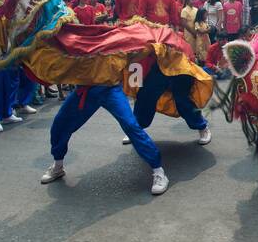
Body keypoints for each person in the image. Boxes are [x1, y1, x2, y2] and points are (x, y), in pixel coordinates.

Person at [42, 84, 170, 196]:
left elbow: (130, 57)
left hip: (110, 89)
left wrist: (134, 81)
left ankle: (158, 170)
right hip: (84, 89)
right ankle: (58, 166)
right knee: (60, 124)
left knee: (131, 125)